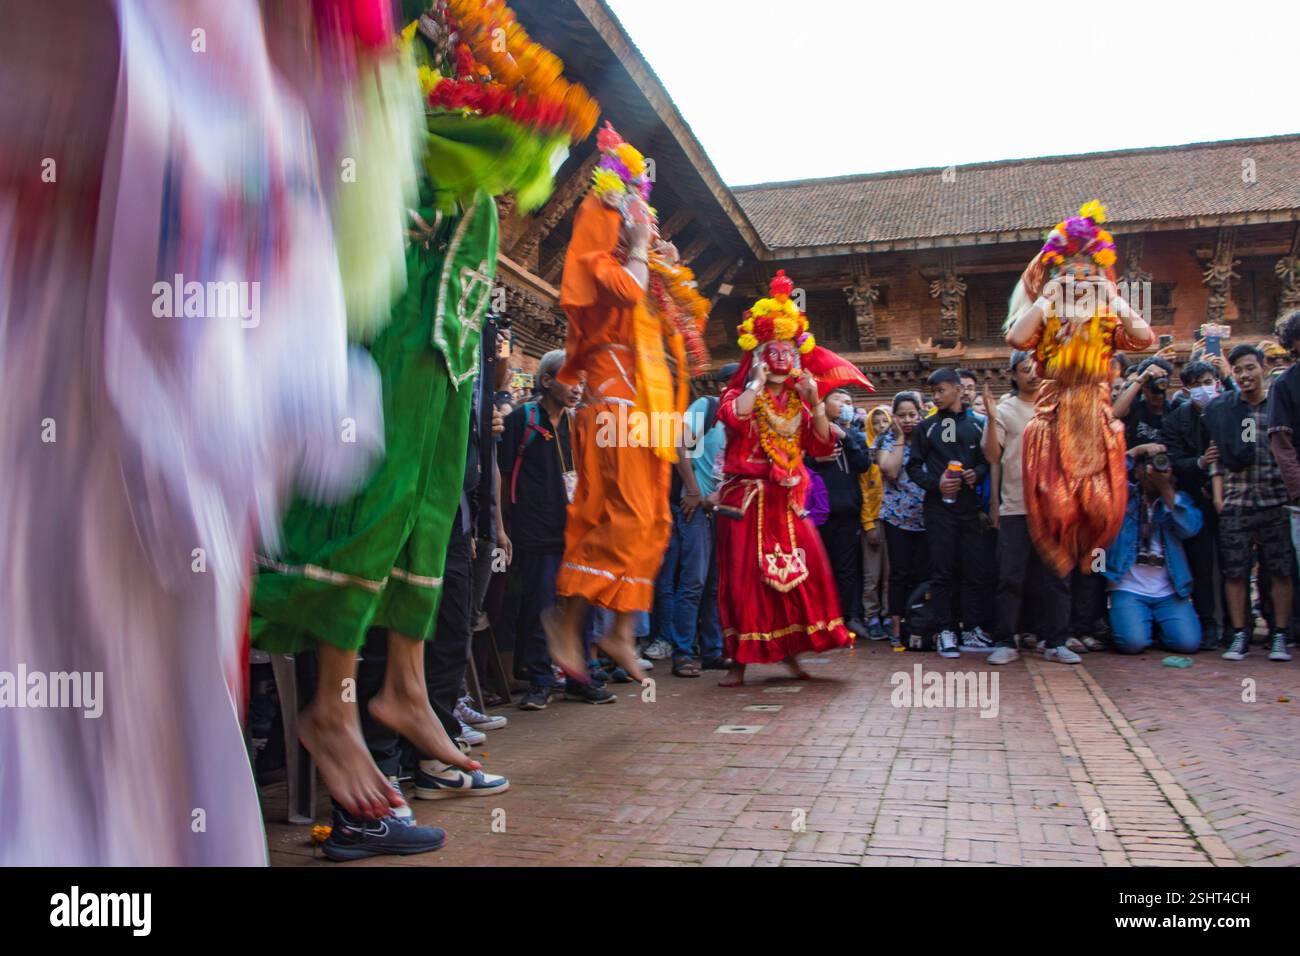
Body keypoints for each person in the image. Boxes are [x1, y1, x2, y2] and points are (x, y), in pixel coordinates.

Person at [543, 123, 690, 684]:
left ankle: (620, 630)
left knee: (653, 514)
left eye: (641, 203)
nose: (639, 211)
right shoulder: (603, 242)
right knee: (622, 511)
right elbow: (618, 288)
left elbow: (683, 319)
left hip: (645, 398)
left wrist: (663, 264)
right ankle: (568, 617)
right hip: (612, 395)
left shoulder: (640, 251)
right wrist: (636, 252)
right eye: (629, 198)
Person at [713, 271, 873, 686]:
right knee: (744, 581)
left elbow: (820, 448)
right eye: (773, 351)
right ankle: (740, 660)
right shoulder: (738, 393)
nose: (781, 359)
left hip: (787, 501)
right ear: (760, 354)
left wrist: (816, 404)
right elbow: (735, 416)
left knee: (807, 571)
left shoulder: (801, 402)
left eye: (787, 351)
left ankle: (791, 652)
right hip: (748, 502)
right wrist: (755, 381)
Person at [1005, 200, 1154, 577]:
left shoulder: (1106, 322)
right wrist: (1049, 296)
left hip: (1096, 422)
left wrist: (1112, 296)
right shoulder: (1046, 320)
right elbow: (1016, 337)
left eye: (1088, 275)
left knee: (1101, 510)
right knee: (1059, 509)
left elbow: (1144, 338)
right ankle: (1061, 574)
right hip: (1054, 421)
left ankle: (1089, 576)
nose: (1080, 282)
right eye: (1072, 276)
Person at [498, 351, 615, 708]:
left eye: (581, 381)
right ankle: (539, 681)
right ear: (546, 381)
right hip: (535, 530)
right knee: (542, 606)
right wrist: (503, 527)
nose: (577, 388)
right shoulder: (523, 420)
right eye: (569, 380)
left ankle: (580, 678)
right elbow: (504, 476)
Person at [982, 352, 1078, 665]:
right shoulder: (1005, 410)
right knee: (1011, 576)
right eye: (1025, 370)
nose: (1033, 375)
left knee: (1057, 576)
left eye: (1037, 369)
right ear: (1012, 374)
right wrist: (990, 416)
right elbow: (992, 456)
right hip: (1016, 506)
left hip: (1055, 506)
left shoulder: (1058, 406)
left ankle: (1056, 641)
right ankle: (1005, 640)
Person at [1208, 345, 1294, 662]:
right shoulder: (1225, 408)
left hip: (1274, 499)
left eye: (1250, 368)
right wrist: (1219, 498)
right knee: (1235, 571)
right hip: (1236, 499)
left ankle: (1280, 634)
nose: (1245, 376)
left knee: (1280, 569)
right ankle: (1240, 633)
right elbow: (1216, 455)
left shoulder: (1280, 406)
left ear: (1263, 367)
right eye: (1238, 370)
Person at [907, 368, 990, 659]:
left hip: (969, 508)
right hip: (938, 508)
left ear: (958, 390)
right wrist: (936, 484)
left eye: (941, 390)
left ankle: (972, 628)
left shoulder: (978, 425)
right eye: (933, 392)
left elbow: (986, 462)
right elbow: (913, 467)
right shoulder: (926, 427)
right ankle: (945, 631)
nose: (937, 397)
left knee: (973, 570)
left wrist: (974, 475)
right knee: (942, 570)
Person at [654, 378, 729, 677]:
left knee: (714, 584)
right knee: (693, 582)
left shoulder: (746, 418)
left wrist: (718, 496)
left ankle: (712, 651)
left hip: (723, 507)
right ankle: (682, 653)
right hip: (694, 508)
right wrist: (695, 491)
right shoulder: (707, 407)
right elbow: (678, 445)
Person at [1101, 449, 1204, 654]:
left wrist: (1165, 489)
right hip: (1128, 586)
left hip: (1169, 589)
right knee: (1132, 644)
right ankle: (1137, 623)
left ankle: (1152, 626)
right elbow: (1104, 475)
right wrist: (1135, 452)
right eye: (1147, 466)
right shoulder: (1124, 497)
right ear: (1137, 472)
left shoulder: (1178, 499)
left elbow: (1190, 528)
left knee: (1188, 644)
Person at [1161, 358, 1227, 649]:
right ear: (1186, 390)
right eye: (1197, 384)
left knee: (1233, 563)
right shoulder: (1177, 419)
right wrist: (1199, 463)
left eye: (1208, 382)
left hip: (1228, 499)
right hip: (1194, 502)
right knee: (1201, 564)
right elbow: (1174, 459)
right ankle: (1208, 623)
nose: (1204, 389)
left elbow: (1248, 443)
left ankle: (1239, 625)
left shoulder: (1230, 412)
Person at [809, 389, 873, 640]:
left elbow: (864, 464)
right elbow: (797, 465)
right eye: (839, 400)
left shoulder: (853, 435)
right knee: (820, 568)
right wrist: (817, 458)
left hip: (848, 512)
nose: (845, 406)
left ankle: (851, 617)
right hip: (818, 514)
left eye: (849, 402)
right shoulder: (810, 435)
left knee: (848, 569)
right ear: (822, 403)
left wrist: (845, 437)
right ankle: (822, 619)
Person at [876, 392, 929, 647]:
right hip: (897, 518)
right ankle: (896, 628)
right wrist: (898, 438)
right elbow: (892, 471)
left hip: (927, 518)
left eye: (912, 415)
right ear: (893, 416)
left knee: (924, 573)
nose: (907, 420)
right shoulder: (885, 439)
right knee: (899, 574)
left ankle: (919, 625)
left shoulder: (929, 438)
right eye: (902, 415)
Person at [859, 406, 893, 640]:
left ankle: (888, 614)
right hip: (873, 522)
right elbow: (863, 494)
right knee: (872, 573)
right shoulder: (866, 459)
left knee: (891, 572)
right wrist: (869, 525)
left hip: (892, 520)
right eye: (876, 423)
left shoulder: (892, 455)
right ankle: (871, 616)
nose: (881, 427)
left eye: (885, 422)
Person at [1114, 353, 1175, 448]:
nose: (1158, 394)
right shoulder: (1135, 407)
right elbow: (1116, 413)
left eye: (1162, 386)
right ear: (1143, 387)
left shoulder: (1174, 410)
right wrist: (1141, 379)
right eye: (1150, 388)